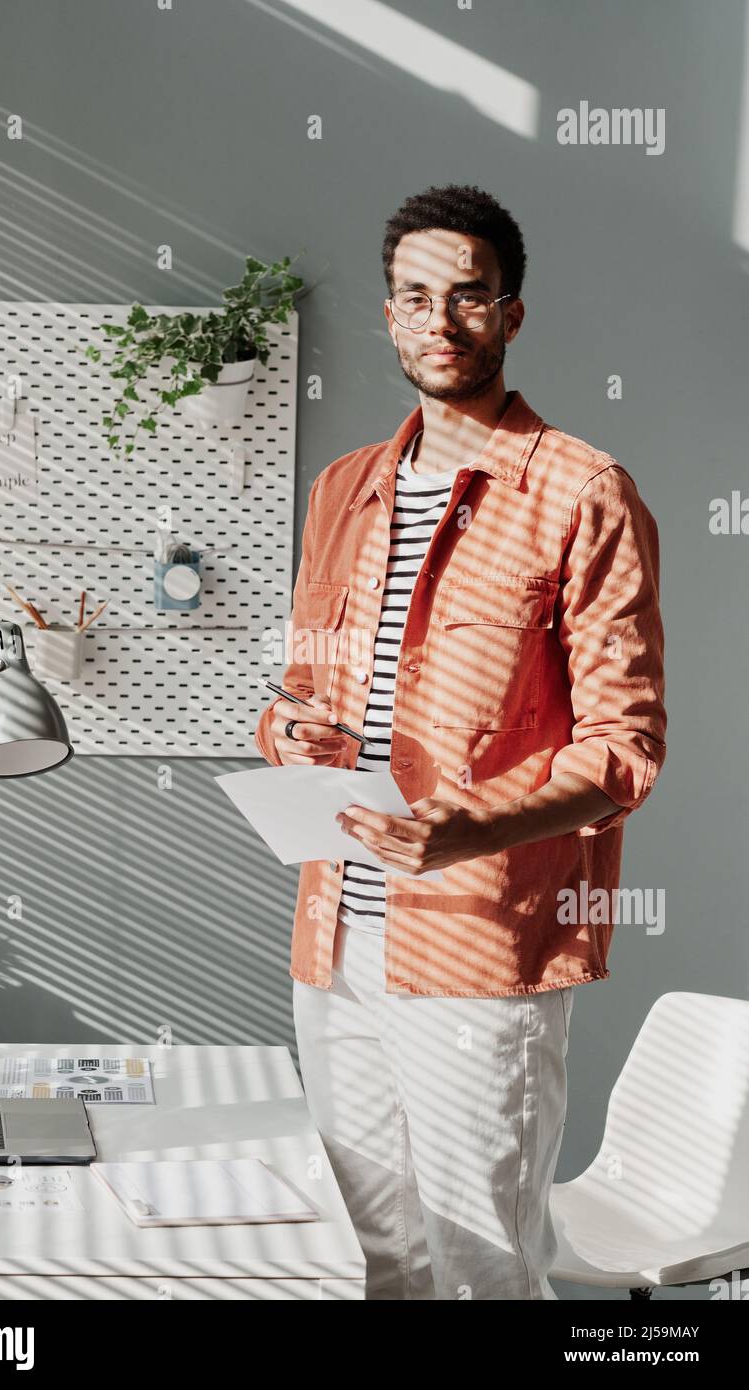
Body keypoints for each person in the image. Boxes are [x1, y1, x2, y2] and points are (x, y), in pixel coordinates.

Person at [253, 183, 666, 1300]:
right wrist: (283, 729)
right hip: (335, 943)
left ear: (510, 313)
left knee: (479, 1266)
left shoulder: (581, 492)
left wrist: (461, 824)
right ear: (388, 316)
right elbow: (300, 684)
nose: (439, 319)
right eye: (414, 296)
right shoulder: (342, 490)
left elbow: (624, 749)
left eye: (468, 296)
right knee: (371, 1259)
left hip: (482, 950)